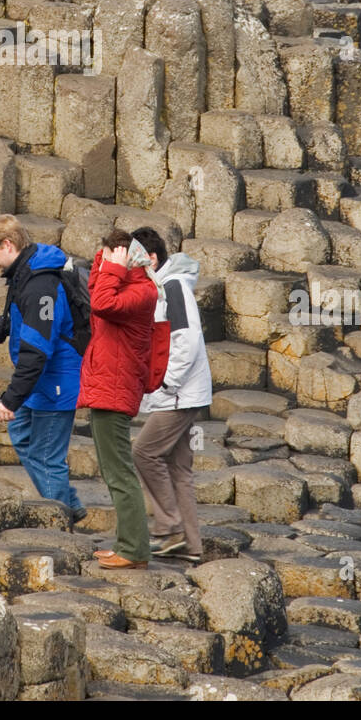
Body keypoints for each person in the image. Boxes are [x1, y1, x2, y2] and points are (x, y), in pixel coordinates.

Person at [0, 215, 86, 522]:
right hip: (39, 382)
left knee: (45, 456)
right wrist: (0, 327)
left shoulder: (41, 286)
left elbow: (37, 351)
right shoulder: (24, 273)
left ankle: (59, 521)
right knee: (21, 432)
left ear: (8, 244)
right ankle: (69, 506)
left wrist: (10, 399)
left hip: (55, 382)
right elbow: (25, 322)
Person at [130, 226, 211, 563]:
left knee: (143, 452)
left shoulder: (173, 287)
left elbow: (187, 339)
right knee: (179, 469)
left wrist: (167, 384)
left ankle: (169, 527)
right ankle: (192, 547)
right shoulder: (163, 287)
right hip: (184, 394)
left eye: (135, 262)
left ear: (151, 258)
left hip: (180, 395)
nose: (129, 269)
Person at [79, 230, 157, 569]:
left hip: (116, 388)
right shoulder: (123, 283)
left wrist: (114, 266)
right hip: (106, 386)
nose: (106, 261)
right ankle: (127, 544)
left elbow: (102, 304)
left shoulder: (143, 291)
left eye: (112, 255)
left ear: (127, 259)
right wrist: (105, 260)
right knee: (114, 472)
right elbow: (96, 291)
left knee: (120, 473)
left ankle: (134, 550)